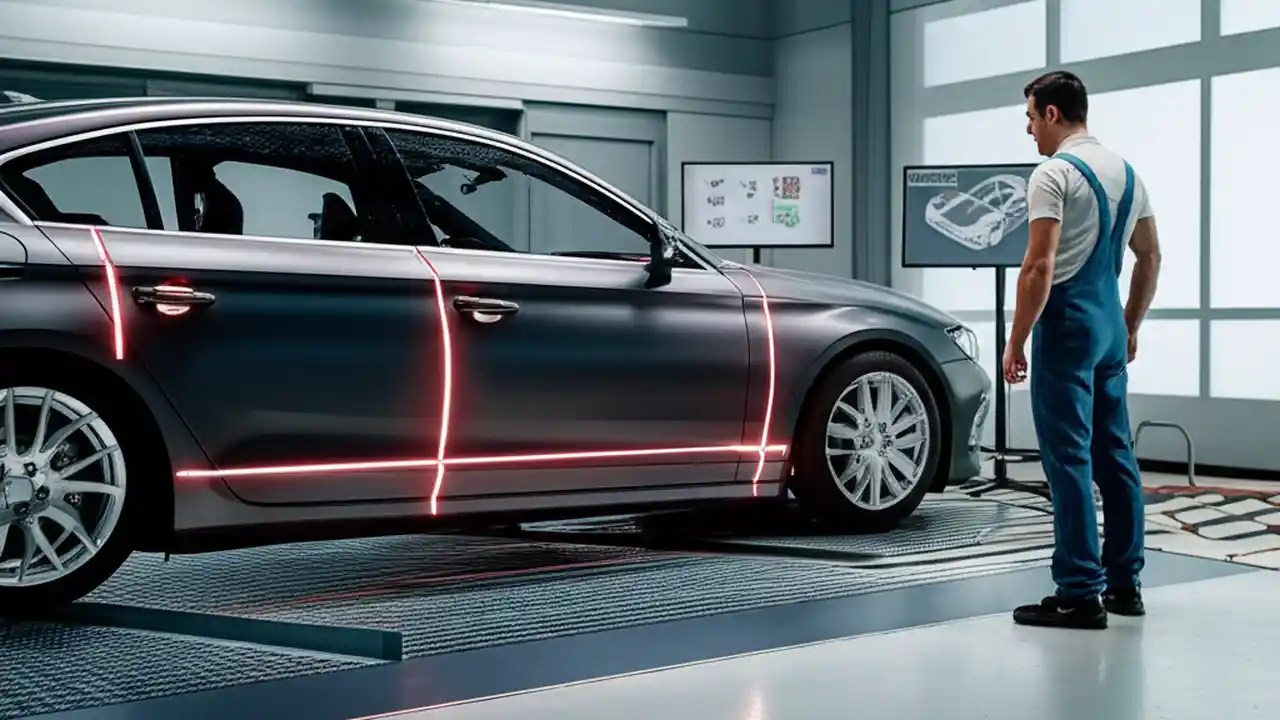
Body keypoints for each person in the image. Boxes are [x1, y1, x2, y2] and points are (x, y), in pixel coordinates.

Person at [1002, 70, 1162, 630]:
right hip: (1108, 325)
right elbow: (1151, 256)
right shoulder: (1128, 172)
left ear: (1051, 114)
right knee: (1115, 456)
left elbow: (1039, 266)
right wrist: (1131, 325)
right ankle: (1125, 585)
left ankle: (1077, 592)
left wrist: (1017, 337)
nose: (1028, 131)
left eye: (1029, 117)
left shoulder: (1052, 174)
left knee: (1067, 458)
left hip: (1067, 325)